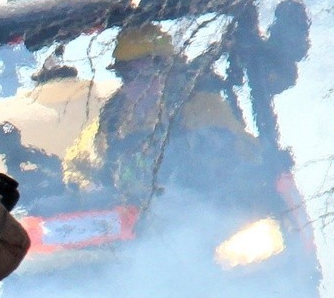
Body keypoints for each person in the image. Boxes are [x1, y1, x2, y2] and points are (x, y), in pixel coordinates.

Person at [60, 22, 255, 203]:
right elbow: (76, 165)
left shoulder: (201, 108)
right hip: (134, 224)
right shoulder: (114, 117)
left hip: (200, 215)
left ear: (172, 72)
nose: (140, 86)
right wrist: (87, 188)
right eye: (129, 76)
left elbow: (242, 163)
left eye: (149, 75)